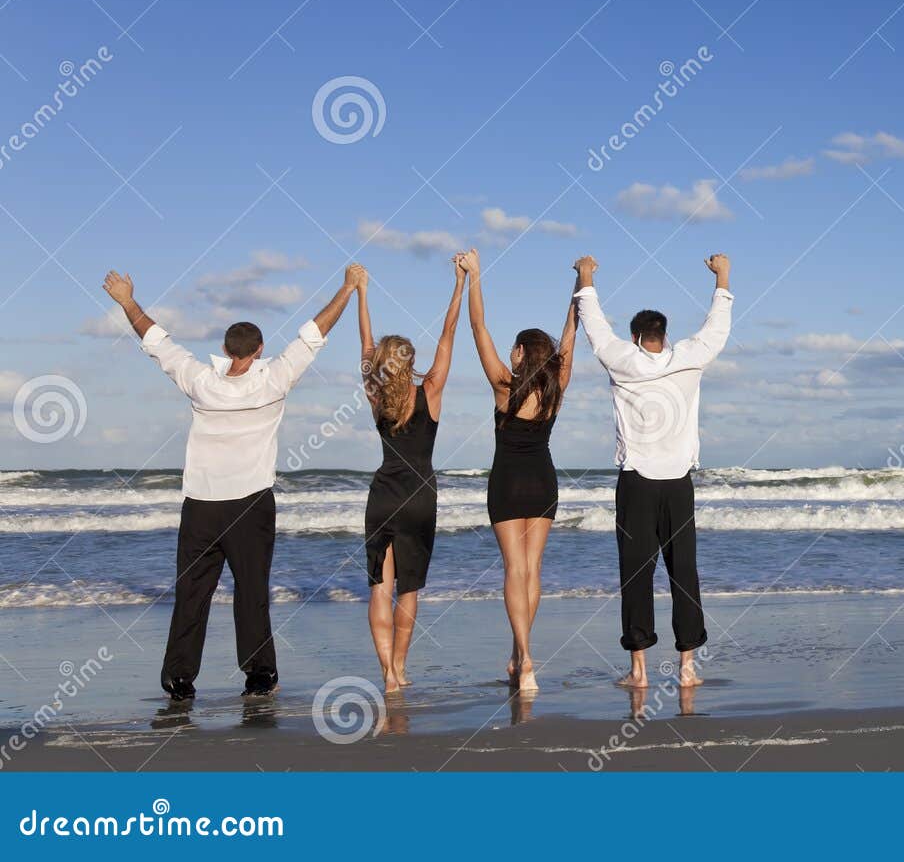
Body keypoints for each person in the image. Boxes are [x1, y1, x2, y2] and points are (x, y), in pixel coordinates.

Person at [102, 264, 363, 700]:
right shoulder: (275, 379)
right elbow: (313, 335)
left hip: (201, 504)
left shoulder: (201, 382)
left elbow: (156, 341)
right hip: (249, 504)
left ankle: (179, 680)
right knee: (251, 592)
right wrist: (348, 288)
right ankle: (260, 676)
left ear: (225, 349)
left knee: (192, 593)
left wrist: (128, 301)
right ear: (259, 349)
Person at [573, 252, 732, 689]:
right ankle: (687, 669)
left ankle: (639, 671)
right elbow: (717, 330)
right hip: (678, 484)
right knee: (684, 572)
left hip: (637, 484)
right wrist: (722, 277)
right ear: (664, 334)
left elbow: (594, 326)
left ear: (636, 336)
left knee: (636, 573)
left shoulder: (621, 359)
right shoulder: (688, 359)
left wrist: (586, 275)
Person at [463, 248, 577, 693]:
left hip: (507, 483)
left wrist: (475, 275)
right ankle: (519, 655)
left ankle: (525, 657)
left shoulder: (503, 386)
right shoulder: (557, 387)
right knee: (532, 569)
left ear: (519, 353)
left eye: (513, 347)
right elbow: (570, 333)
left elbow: (477, 327)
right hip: (543, 482)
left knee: (514, 570)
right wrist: (580, 284)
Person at [356, 255, 464, 692]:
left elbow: (365, 344)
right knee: (409, 589)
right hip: (420, 496)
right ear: (410, 362)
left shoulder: (375, 395)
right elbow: (448, 334)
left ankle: (386, 674)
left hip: (383, 494)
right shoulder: (430, 392)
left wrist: (362, 292)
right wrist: (461, 284)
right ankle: (400, 668)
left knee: (379, 587)